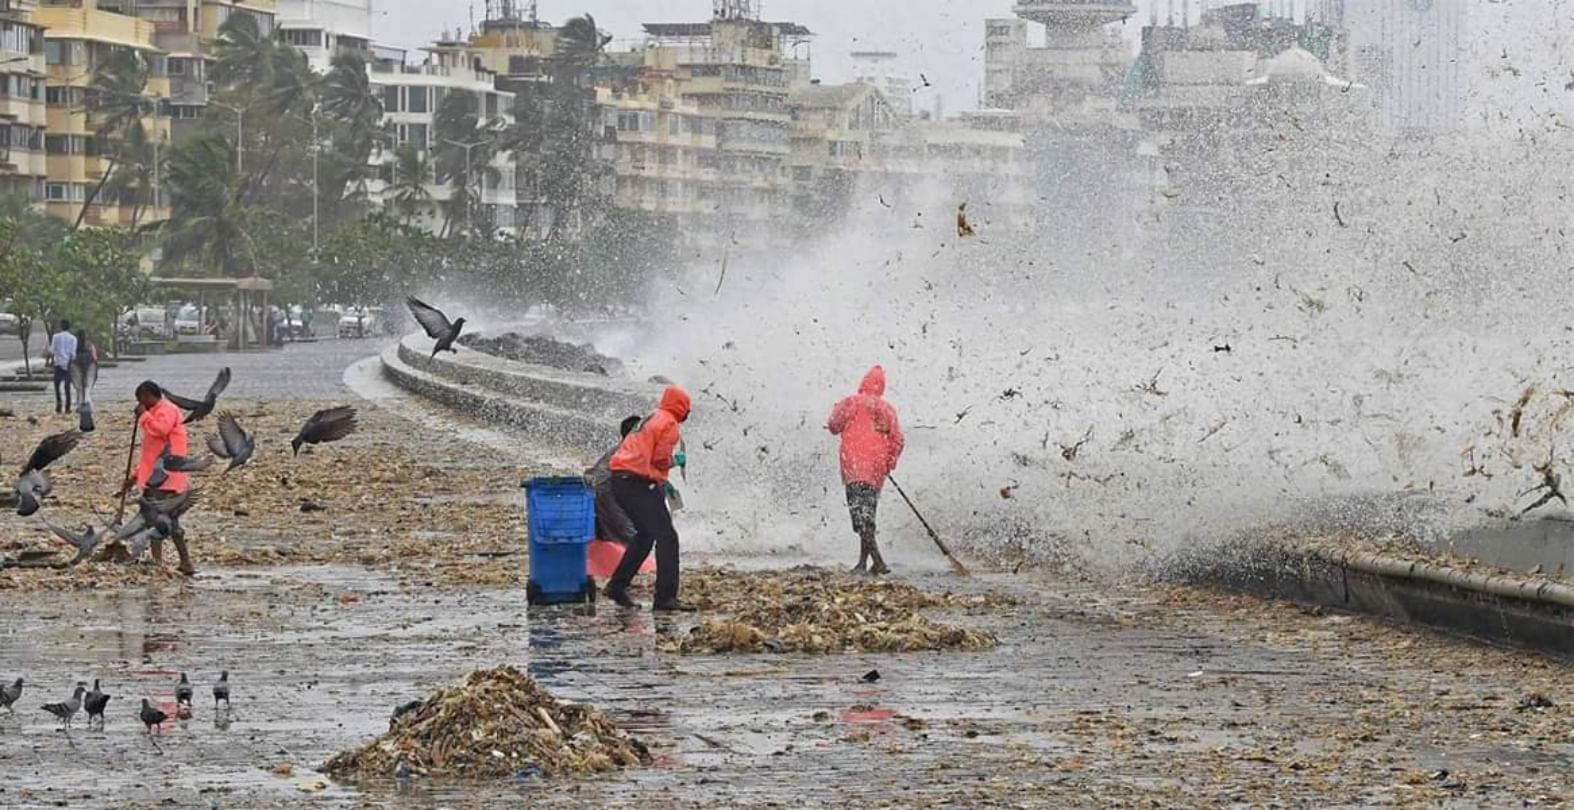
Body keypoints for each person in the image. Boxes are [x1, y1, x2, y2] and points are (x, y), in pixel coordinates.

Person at [603, 385, 694, 612]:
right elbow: (660, 459)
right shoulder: (669, 423)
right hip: (637, 483)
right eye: (687, 409)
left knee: (646, 535)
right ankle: (665, 598)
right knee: (667, 537)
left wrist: (660, 479)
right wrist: (675, 461)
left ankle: (617, 586)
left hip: (620, 480)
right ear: (681, 408)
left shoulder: (652, 416)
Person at [827, 365, 905, 575]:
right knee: (867, 514)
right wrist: (889, 463)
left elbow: (833, 426)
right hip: (877, 468)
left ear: (863, 382)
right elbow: (898, 440)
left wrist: (838, 411)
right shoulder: (887, 409)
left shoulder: (850, 402)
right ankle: (863, 563)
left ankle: (878, 562)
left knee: (861, 517)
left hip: (854, 465)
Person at [124, 380, 196, 575]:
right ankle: (160, 561)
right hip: (156, 477)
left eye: (141, 399)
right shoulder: (155, 412)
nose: (140, 404)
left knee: (166, 520)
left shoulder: (167, 410)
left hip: (166, 479)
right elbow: (152, 453)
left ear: (148, 395)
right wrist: (135, 477)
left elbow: (160, 429)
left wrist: (143, 416)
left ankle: (184, 562)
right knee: (154, 520)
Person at [586, 414, 645, 546]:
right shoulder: (633, 451)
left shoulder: (619, 449)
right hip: (605, 491)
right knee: (631, 537)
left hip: (593, 491)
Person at [48, 319, 78, 415]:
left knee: (57, 385)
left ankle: (59, 404)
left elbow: (51, 351)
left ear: (61, 326)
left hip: (58, 364)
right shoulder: (73, 338)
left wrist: (49, 362)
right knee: (67, 387)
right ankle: (67, 407)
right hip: (68, 365)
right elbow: (73, 355)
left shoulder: (56, 337)